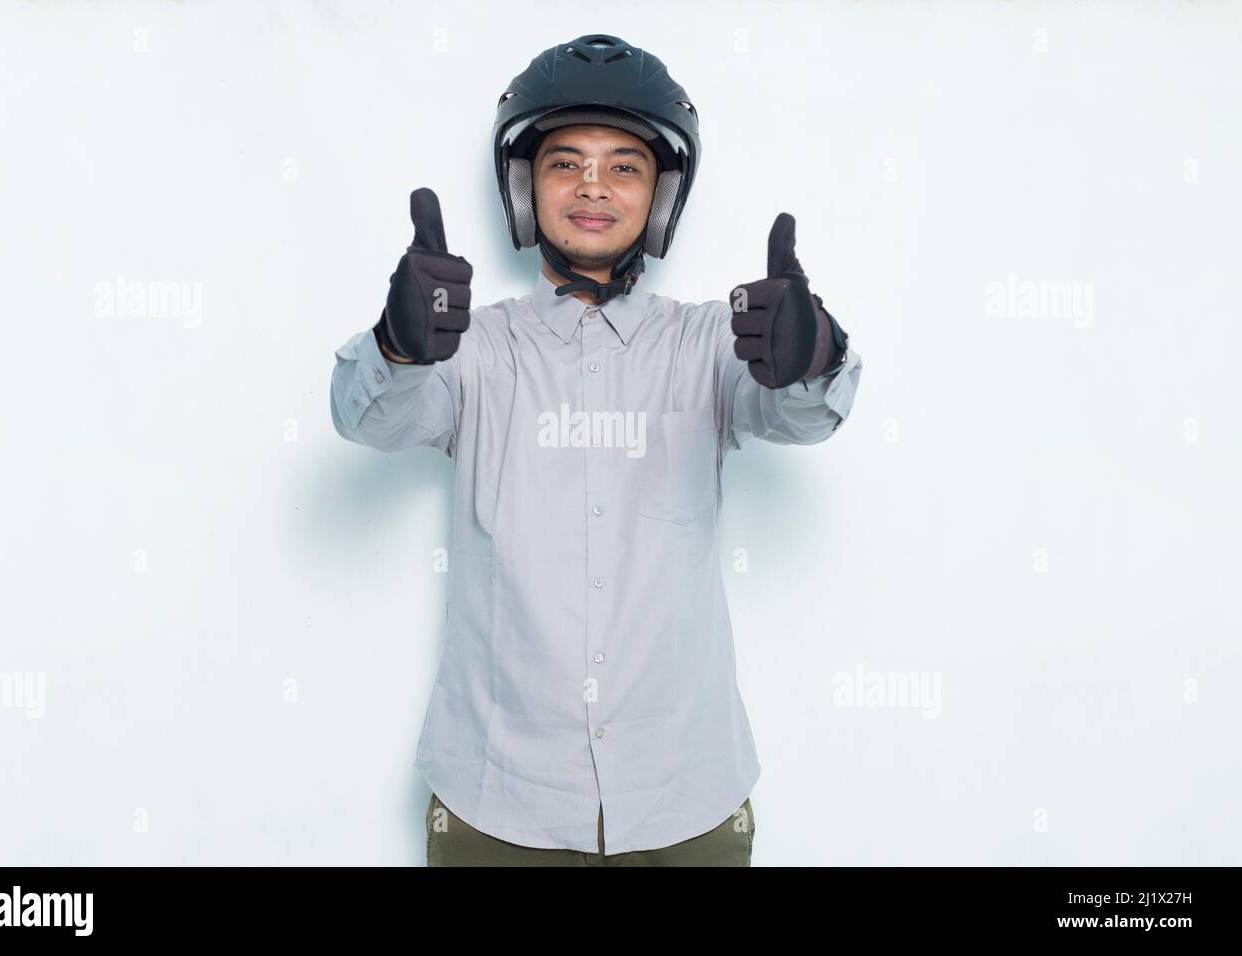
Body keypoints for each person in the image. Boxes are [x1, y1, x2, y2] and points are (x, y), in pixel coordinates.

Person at [330, 33, 863, 866]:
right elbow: (371, 420)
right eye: (564, 163)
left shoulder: (705, 343)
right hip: (497, 798)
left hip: (686, 796)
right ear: (524, 187)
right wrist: (398, 346)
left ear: (659, 195)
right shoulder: (474, 348)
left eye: (624, 166)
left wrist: (813, 352)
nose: (592, 187)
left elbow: (800, 414)